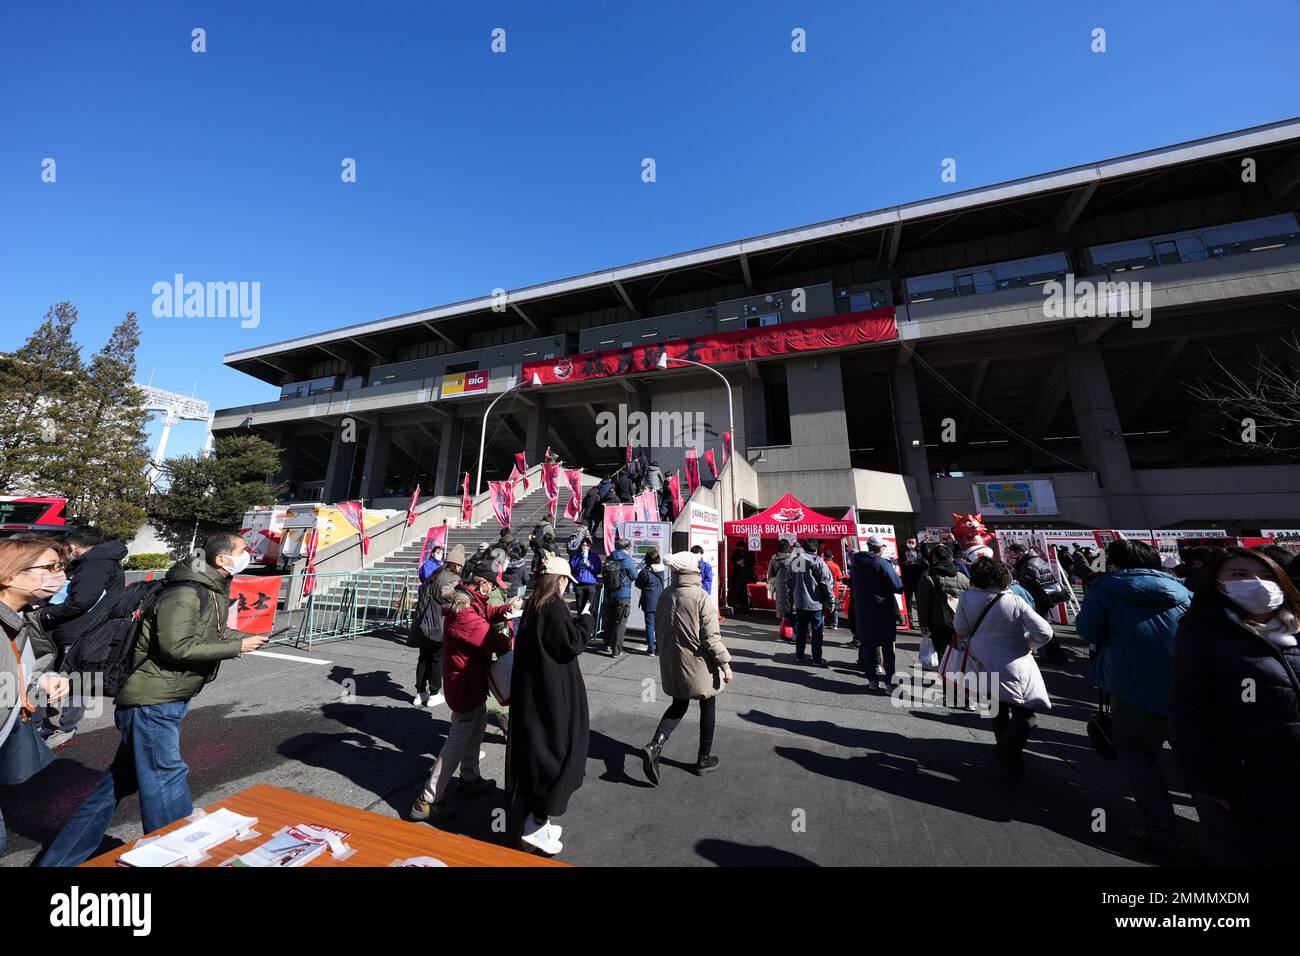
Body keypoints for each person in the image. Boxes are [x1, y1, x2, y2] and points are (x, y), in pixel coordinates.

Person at [39, 533, 270, 867]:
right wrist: (237, 647)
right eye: (243, 551)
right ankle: (177, 855)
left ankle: (59, 860)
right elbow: (178, 648)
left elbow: (208, 634)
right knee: (165, 775)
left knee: (115, 786)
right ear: (222, 559)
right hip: (152, 702)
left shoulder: (208, 588)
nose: (249, 555)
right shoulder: (186, 592)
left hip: (164, 697)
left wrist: (243, 638)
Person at [1169, 547, 1300, 866]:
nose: (1257, 583)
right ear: (1216, 584)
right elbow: (1188, 712)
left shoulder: (1295, 629)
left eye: (1267, 576)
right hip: (1247, 781)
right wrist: (1205, 781)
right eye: (1239, 575)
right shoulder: (1202, 632)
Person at [1075, 539, 1190, 854]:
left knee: (1139, 755)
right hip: (1189, 685)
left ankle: (1163, 833)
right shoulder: (1185, 591)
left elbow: (1088, 630)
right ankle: (1221, 834)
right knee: (1198, 761)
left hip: (1131, 684)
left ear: (1112, 563)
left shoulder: (1105, 589)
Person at [410, 555, 523, 824]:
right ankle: (426, 800)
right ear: (481, 583)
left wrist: (506, 609)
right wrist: (510, 637)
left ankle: (470, 778)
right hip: (464, 686)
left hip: (472, 683)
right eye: (491, 585)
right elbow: (490, 638)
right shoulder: (462, 613)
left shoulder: (469, 600)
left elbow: (485, 615)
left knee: (477, 727)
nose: (491, 590)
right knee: (456, 743)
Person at [506, 556, 594, 856]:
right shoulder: (553, 607)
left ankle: (538, 822)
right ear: (560, 580)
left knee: (538, 752)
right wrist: (586, 620)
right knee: (560, 753)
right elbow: (570, 644)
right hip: (553, 693)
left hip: (534, 691)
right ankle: (537, 823)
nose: (567, 587)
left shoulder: (534, 604)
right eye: (566, 581)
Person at [1, 537, 71, 857]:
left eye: (61, 567)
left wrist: (42, 682)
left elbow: (14, 674)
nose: (59, 575)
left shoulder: (23, 618)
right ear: (9, 576)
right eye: (49, 567)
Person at [954, 558, 1053, 781]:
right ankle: (1008, 752)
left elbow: (960, 628)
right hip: (1014, 662)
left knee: (996, 709)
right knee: (1025, 712)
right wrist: (1028, 643)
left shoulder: (967, 597)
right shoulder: (1014, 600)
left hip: (981, 661)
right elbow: (1045, 632)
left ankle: (1007, 756)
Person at [640, 552, 733, 784]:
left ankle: (655, 744)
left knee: (678, 704)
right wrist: (725, 663)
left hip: (673, 663)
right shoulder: (701, 597)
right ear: (693, 571)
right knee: (708, 703)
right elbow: (711, 638)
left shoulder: (665, 594)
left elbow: (659, 629)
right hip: (700, 663)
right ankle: (703, 758)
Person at [34, 527, 127, 746]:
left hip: (80, 631)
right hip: (81, 630)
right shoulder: (102, 561)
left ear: (72, 547)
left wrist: (44, 614)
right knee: (62, 676)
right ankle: (43, 723)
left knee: (76, 679)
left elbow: (81, 602)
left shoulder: (95, 565)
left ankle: (63, 728)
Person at [409, 544, 464, 706]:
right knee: (437, 659)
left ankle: (420, 693)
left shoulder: (435, 573)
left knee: (423, 657)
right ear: (453, 564)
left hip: (423, 621)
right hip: (438, 624)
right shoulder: (453, 579)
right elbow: (454, 603)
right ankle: (434, 693)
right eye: (458, 565)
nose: (460, 568)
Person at [848, 536, 903, 689]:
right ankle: (889, 683)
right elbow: (898, 586)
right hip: (882, 610)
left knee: (867, 646)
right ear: (879, 547)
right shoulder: (883, 563)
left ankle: (872, 681)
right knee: (887, 647)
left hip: (863, 610)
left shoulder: (856, 562)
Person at [1006, 543, 1070, 664]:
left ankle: (1053, 656)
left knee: (1040, 628)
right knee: (1044, 627)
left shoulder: (1028, 565)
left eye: (1012, 555)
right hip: (1045, 598)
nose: (1011, 558)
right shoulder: (1037, 560)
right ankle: (1055, 655)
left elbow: (1028, 586)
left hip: (1038, 600)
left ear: (1018, 553)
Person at [915, 544, 969, 663]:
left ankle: (947, 680)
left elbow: (923, 602)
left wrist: (923, 624)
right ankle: (959, 679)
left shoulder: (927, 576)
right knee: (959, 656)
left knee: (943, 657)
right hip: (959, 622)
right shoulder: (963, 577)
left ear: (934, 558)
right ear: (951, 558)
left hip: (938, 622)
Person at [786, 540, 833, 667]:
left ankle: (800, 655)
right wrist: (831, 599)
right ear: (816, 549)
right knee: (817, 632)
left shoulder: (796, 561)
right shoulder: (818, 561)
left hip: (800, 603)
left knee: (801, 631)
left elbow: (789, 582)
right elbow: (826, 582)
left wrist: (791, 600)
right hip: (815, 603)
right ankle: (817, 659)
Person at [600, 537, 636, 658]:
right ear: (627, 548)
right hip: (623, 595)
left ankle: (607, 644)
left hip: (610, 593)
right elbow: (635, 575)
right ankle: (617, 650)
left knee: (609, 619)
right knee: (620, 622)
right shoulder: (627, 560)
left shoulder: (610, 557)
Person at [635, 548, 670, 656]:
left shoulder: (645, 571)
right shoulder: (662, 570)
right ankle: (659, 648)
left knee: (650, 625)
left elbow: (638, 583)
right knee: (658, 625)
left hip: (649, 600)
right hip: (660, 600)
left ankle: (651, 649)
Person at [569, 538, 601, 622]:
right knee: (580, 606)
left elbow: (598, 569)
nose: (585, 547)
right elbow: (572, 567)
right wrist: (579, 562)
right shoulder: (577, 556)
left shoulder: (594, 556)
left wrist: (590, 566)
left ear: (590, 546)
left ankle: (589, 626)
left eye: (587, 545)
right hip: (579, 585)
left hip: (591, 585)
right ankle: (580, 625)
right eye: (583, 545)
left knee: (589, 607)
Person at [767, 539, 794, 627]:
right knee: (793, 607)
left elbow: (771, 574)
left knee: (783, 610)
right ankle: (792, 630)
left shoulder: (774, 558)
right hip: (792, 585)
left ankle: (785, 629)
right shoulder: (793, 557)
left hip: (780, 585)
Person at [899, 536, 926, 621]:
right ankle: (909, 619)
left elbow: (925, 562)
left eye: (912, 542)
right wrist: (904, 563)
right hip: (907, 578)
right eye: (909, 542)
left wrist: (919, 562)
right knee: (908, 599)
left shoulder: (919, 551)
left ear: (916, 543)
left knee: (920, 600)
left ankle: (922, 619)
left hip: (918, 578)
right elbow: (898, 562)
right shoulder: (902, 551)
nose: (910, 544)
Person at [819, 546, 844, 630]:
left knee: (821, 607)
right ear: (832, 556)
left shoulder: (821, 564)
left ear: (824, 556)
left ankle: (820, 624)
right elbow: (839, 578)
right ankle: (835, 624)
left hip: (822, 589)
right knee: (835, 608)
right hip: (834, 589)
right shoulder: (835, 566)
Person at [729, 540, 755, 612]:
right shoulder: (735, 552)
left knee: (745, 590)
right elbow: (732, 560)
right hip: (737, 575)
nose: (740, 548)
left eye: (741, 547)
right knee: (738, 590)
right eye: (739, 547)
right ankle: (738, 604)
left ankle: (746, 604)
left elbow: (753, 562)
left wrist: (745, 563)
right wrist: (737, 562)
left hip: (747, 575)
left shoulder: (749, 552)